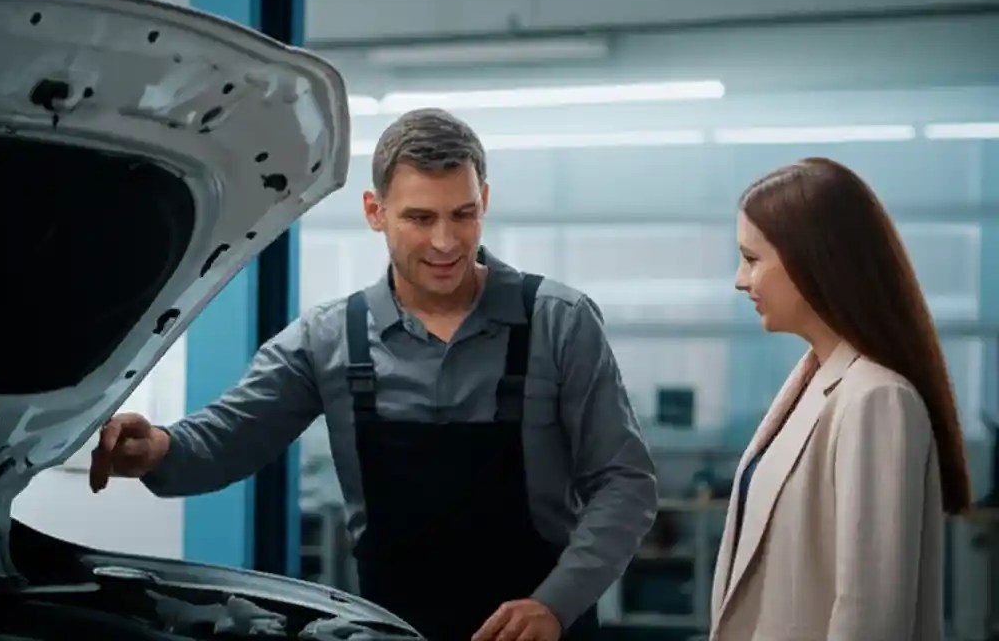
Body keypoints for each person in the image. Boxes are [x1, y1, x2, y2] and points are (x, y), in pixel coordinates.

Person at [89, 108, 658, 641]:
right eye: (419, 217)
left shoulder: (559, 323)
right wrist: (158, 448)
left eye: (463, 215)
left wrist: (556, 603)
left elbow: (624, 483)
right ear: (374, 211)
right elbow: (228, 439)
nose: (445, 241)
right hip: (393, 629)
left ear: (483, 200)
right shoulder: (329, 338)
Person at [709, 157, 973, 641]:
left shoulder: (877, 400)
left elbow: (870, 612)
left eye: (751, 259)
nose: (740, 280)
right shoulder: (815, 380)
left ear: (814, 259)